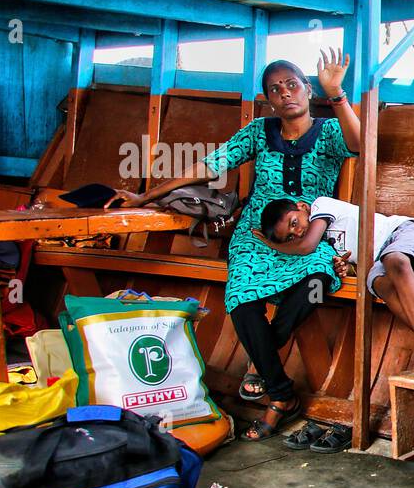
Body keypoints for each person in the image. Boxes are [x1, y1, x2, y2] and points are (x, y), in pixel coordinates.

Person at [107, 50, 358, 441]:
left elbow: (359, 145)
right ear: (268, 100)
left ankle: (263, 369)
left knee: (316, 282)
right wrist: (146, 197)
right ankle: (282, 394)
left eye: (292, 84)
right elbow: (211, 164)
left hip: (308, 232)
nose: (285, 93)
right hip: (257, 237)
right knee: (241, 297)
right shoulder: (259, 131)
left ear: (308, 89)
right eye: (275, 90)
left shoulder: (328, 131)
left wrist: (337, 93)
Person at [258, 196, 414, 391]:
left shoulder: (320, 206)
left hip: (407, 234)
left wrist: (274, 246)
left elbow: (305, 246)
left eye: (294, 223)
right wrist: (346, 267)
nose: (298, 232)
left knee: (394, 259)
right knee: (379, 283)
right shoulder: (324, 246)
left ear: (303, 207)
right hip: (384, 262)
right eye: (290, 237)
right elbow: (354, 263)